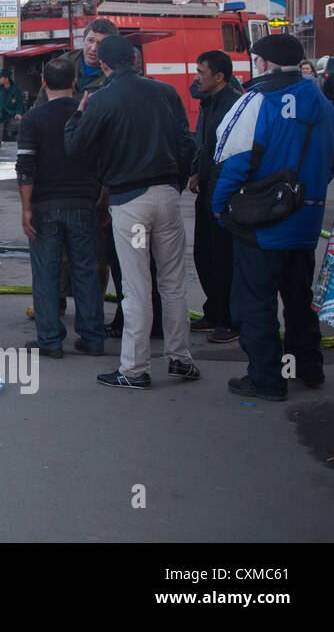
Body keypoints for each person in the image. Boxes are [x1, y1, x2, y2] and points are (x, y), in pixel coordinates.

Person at [64, 35, 199, 390]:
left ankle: (135, 369)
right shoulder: (166, 93)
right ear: (136, 60)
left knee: (136, 286)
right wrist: (177, 184)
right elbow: (187, 143)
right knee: (173, 283)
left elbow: (76, 150)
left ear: (104, 65)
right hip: (168, 198)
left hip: (131, 204)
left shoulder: (102, 99)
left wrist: (77, 115)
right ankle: (181, 359)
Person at [212, 33, 334, 401]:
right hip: (307, 219)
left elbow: (232, 163)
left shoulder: (256, 101)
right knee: (298, 297)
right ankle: (308, 366)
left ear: (263, 63)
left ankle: (266, 378)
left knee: (257, 302)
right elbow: (331, 164)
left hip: (262, 224)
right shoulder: (325, 104)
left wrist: (220, 207)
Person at [17, 56, 107, 357]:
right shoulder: (89, 114)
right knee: (86, 272)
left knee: (46, 274)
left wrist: (26, 208)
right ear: (75, 83)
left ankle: (50, 340)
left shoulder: (33, 118)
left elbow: (25, 166)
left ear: (43, 83)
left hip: (44, 206)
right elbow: (104, 162)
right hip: (84, 204)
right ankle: (93, 338)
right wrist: (102, 200)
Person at [187, 50, 243, 343]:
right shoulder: (209, 102)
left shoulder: (234, 105)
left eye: (201, 72)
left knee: (224, 258)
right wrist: (197, 171)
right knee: (204, 255)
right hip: (208, 187)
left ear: (219, 77)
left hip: (224, 193)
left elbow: (231, 154)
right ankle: (215, 311)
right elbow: (205, 143)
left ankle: (231, 320)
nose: (196, 77)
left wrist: (220, 195)